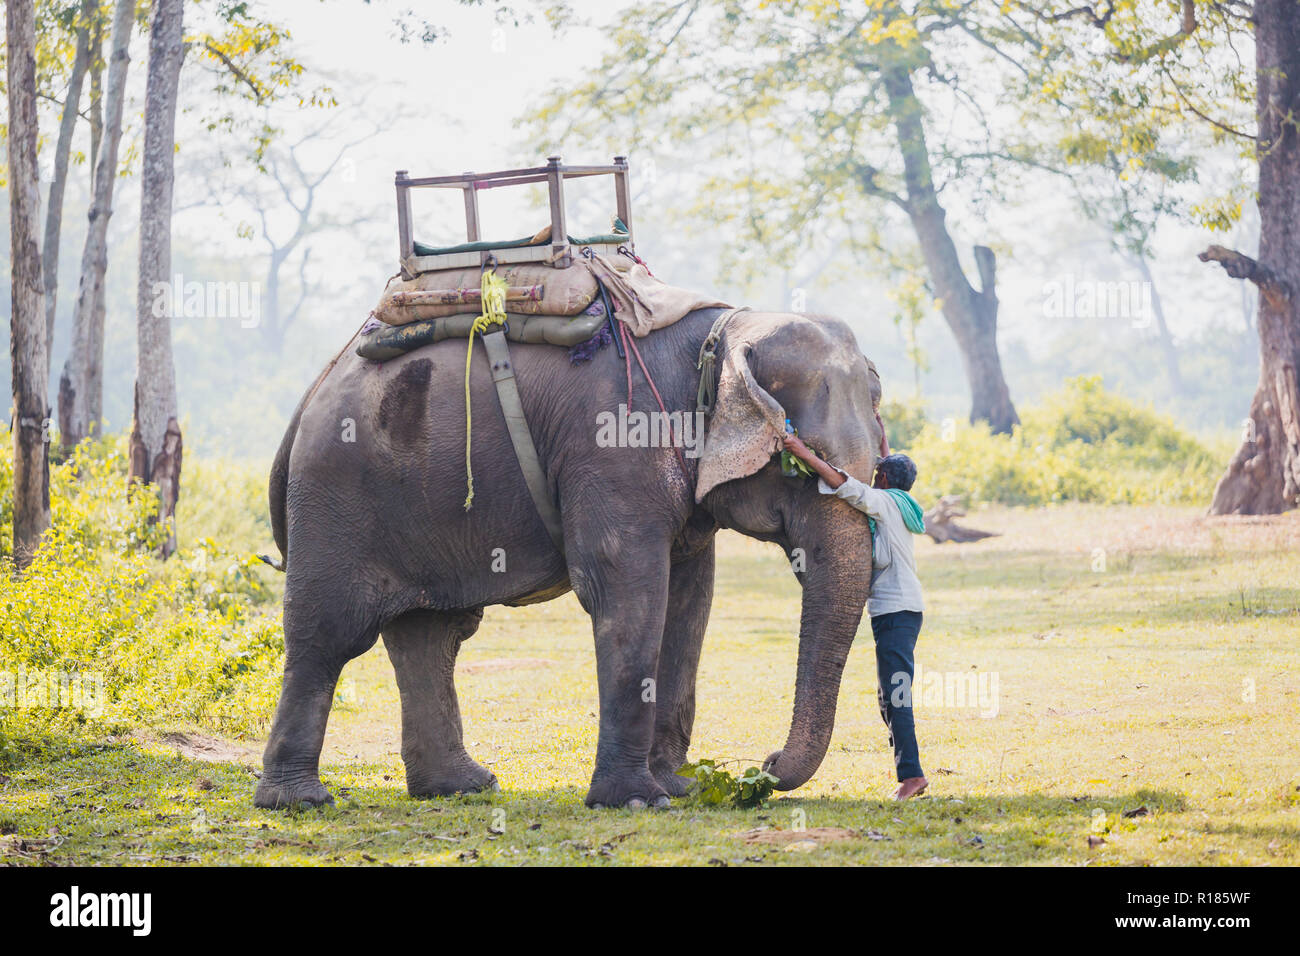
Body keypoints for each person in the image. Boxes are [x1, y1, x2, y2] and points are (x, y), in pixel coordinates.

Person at [781, 415, 929, 800]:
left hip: (896, 613)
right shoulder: (904, 502)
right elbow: (888, 470)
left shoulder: (882, 503)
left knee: (896, 695)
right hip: (905, 610)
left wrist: (801, 452)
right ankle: (909, 770)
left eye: (878, 473)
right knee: (888, 696)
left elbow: (843, 484)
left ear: (881, 480)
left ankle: (912, 777)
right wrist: (881, 437)